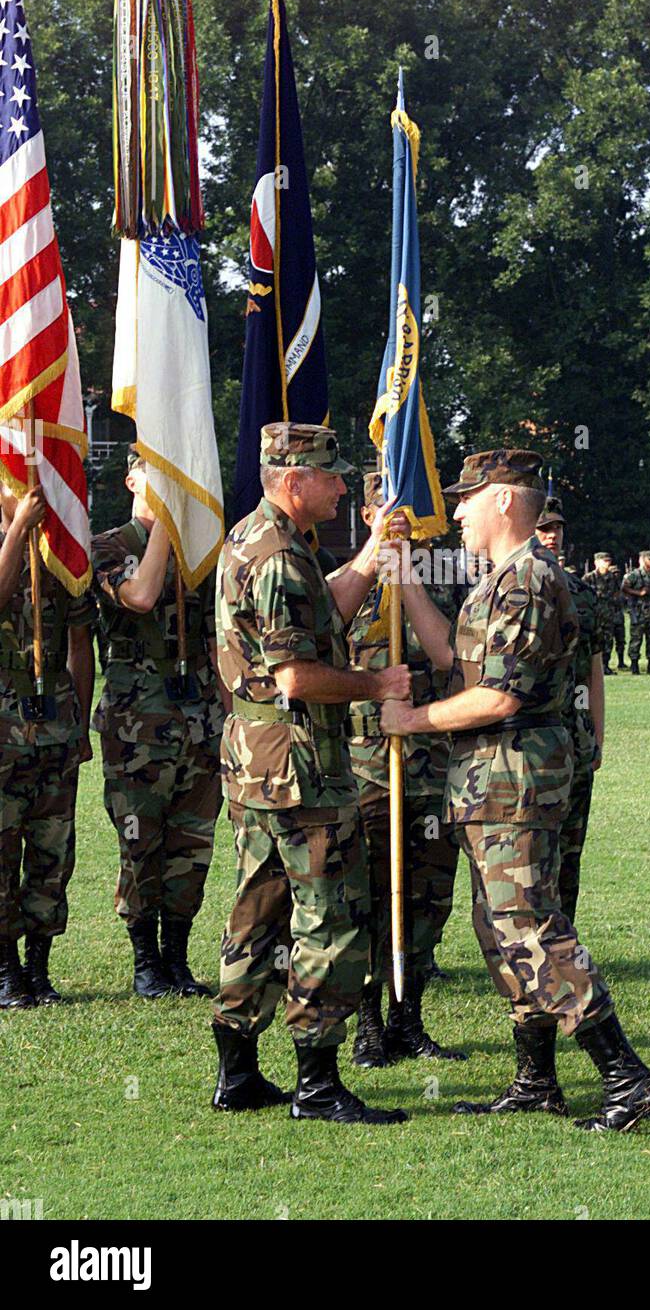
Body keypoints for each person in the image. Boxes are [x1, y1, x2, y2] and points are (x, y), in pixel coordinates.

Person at [383, 449, 650, 1132]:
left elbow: (498, 696)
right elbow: (457, 660)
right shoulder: (502, 581)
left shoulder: (527, 582)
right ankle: (536, 1078)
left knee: (530, 926)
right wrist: (405, 581)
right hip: (493, 779)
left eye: (467, 498)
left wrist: (414, 720)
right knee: (500, 927)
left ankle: (626, 1077)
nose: (456, 510)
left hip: (513, 775)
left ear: (505, 501)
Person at [211, 423, 411, 1125]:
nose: (341, 488)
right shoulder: (280, 559)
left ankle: (236, 1074)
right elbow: (298, 677)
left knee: (257, 911)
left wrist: (374, 550)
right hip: (301, 767)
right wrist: (375, 683)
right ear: (294, 481)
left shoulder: (260, 540)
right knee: (330, 919)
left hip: (258, 763)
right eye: (331, 477)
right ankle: (318, 1084)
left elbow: (323, 614)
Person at [91, 454, 226, 999]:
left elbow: (217, 639)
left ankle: (177, 957)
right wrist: (167, 531)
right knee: (140, 841)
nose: (167, 482)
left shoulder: (202, 553)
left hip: (197, 719)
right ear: (131, 479)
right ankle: (145, 960)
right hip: (136, 726)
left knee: (191, 844)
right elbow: (140, 596)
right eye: (154, 471)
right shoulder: (107, 546)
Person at [347, 471, 464, 1068]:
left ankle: (408, 1016)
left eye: (410, 511)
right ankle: (368, 1024)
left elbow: (450, 654)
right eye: (385, 508)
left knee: (427, 898)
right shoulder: (345, 583)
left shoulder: (449, 576)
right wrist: (378, 565)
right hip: (366, 768)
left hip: (435, 766)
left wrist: (408, 576)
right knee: (368, 897)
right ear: (367, 513)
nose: (398, 521)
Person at [0, 483, 95, 1007]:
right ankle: (5, 970)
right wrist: (17, 530)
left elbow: (81, 646)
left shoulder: (64, 545)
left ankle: (39, 966)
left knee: (52, 852)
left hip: (55, 723)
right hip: (3, 726)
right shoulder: (10, 537)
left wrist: (79, 725)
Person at [536, 497, 604, 919]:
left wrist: (598, 736)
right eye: (544, 528)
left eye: (557, 528)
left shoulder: (582, 594)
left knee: (570, 849)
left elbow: (594, 669)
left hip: (574, 739)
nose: (552, 536)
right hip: (529, 740)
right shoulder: (502, 588)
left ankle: (564, 937)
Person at [621, 550, 650, 674]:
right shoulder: (634, 574)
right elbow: (624, 588)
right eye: (649, 559)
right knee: (636, 639)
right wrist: (638, 593)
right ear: (642, 560)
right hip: (638, 612)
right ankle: (634, 665)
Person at [584, 552, 620, 675]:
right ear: (597, 562)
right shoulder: (589, 578)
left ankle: (605, 665)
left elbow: (616, 592)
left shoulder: (613, 577)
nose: (607, 563)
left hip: (608, 614)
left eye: (609, 561)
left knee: (608, 641)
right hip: (594, 615)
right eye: (604, 561)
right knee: (593, 641)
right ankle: (591, 667)